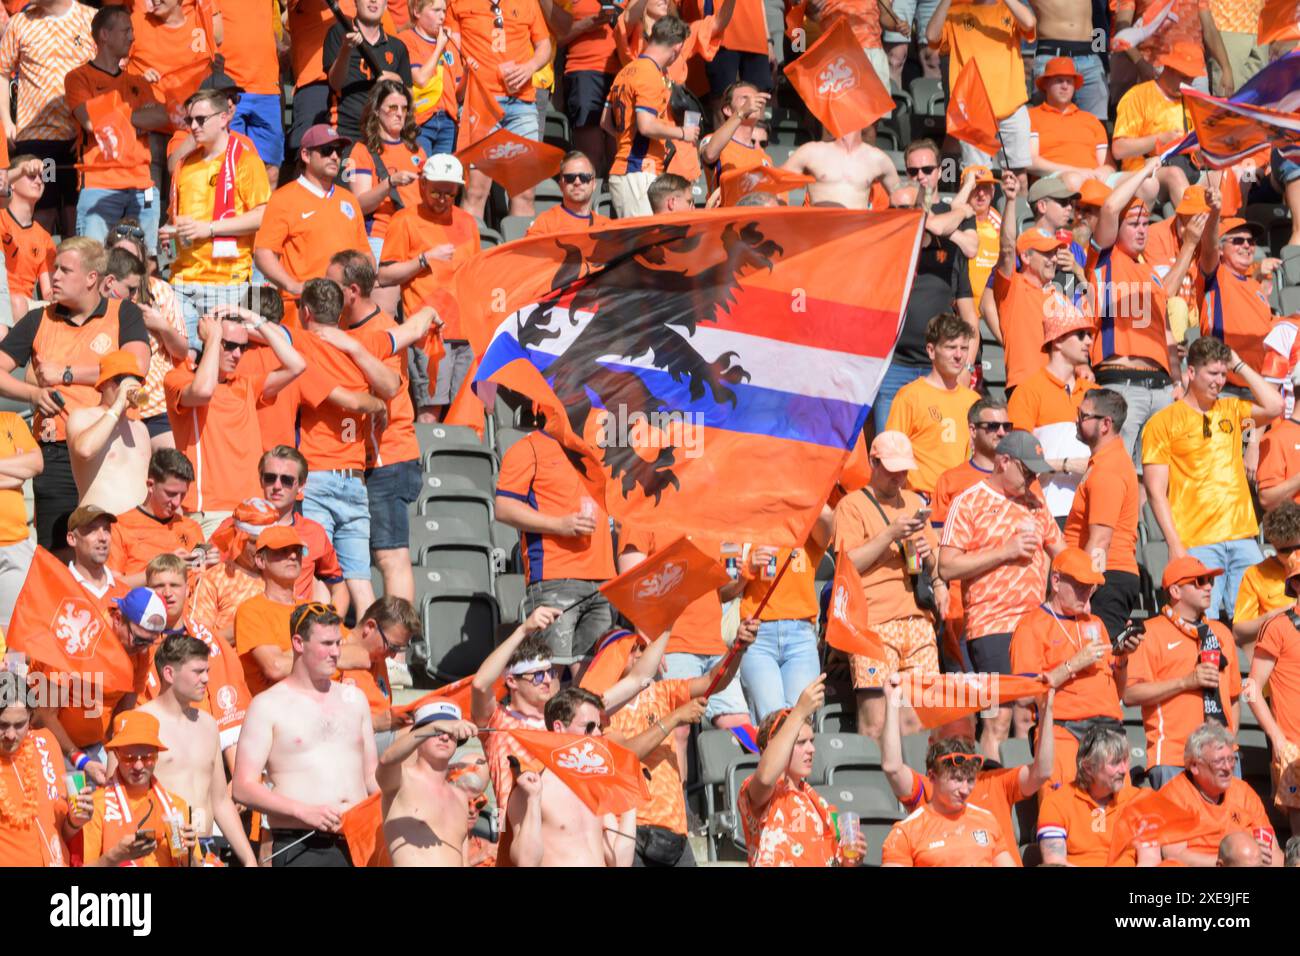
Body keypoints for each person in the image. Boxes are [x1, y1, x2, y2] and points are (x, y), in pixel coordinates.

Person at [0, 237, 151, 550]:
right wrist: (32, 394)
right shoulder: (38, 318)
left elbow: (136, 367)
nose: (54, 276)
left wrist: (66, 373)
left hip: (111, 449)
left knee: (115, 550)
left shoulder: (124, 313)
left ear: (91, 278)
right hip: (56, 453)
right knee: (59, 553)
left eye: (64, 270)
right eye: (55, 268)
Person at [939, 430, 1065, 758]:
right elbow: (947, 567)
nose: (1032, 479)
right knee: (998, 717)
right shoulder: (969, 501)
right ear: (1003, 461)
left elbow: (1060, 553)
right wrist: (1004, 552)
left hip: (1034, 625)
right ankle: (993, 791)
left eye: (1037, 473)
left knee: (1029, 713)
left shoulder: (1036, 504)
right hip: (991, 625)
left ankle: (1025, 794)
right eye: (1027, 471)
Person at [1143, 336, 1281, 620]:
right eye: (1212, 373)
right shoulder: (1163, 422)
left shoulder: (1232, 408)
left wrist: (1239, 365)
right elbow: (1156, 492)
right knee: (1203, 624)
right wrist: (1174, 544)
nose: (1219, 380)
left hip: (1242, 536)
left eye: (1223, 373)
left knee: (1260, 624)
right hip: (1196, 540)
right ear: (1191, 372)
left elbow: (1275, 405)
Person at [232, 602, 379, 867]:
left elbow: (372, 776)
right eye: (326, 644)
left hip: (358, 840)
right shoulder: (268, 705)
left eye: (338, 643)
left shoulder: (355, 699)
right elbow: (243, 787)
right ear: (299, 643)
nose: (335, 653)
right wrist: (304, 811)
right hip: (302, 842)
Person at [326, 250, 434, 602]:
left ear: (353, 290)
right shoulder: (343, 326)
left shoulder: (383, 330)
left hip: (388, 455)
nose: (326, 290)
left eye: (333, 284)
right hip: (364, 460)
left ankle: (398, 650)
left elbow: (387, 387)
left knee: (390, 556)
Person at [293, 278, 397, 613]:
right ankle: (381, 660)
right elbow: (391, 384)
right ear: (339, 314)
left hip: (317, 477)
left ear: (306, 312)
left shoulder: (303, 343)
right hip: (354, 479)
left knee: (317, 575)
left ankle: (321, 648)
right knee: (359, 581)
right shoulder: (359, 347)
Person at [1088, 160, 1203, 459]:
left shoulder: (1150, 273)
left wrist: (1177, 382)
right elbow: (1111, 208)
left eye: (1145, 224)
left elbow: (1166, 333)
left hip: (1161, 386)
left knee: (1153, 479)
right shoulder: (1104, 258)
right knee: (1117, 468)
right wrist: (1144, 171)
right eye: (1133, 224)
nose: (1142, 231)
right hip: (1121, 381)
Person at [832, 432, 943, 738]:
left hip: (918, 619)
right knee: (876, 719)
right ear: (873, 462)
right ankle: (874, 783)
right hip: (873, 624)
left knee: (920, 719)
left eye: (904, 471)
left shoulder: (914, 500)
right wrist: (890, 534)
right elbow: (847, 565)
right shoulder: (851, 505)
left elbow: (935, 566)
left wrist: (926, 555)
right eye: (892, 470)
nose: (899, 478)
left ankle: (912, 783)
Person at [165, 306, 307, 536]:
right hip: (209, 511)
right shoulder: (179, 378)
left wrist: (256, 320)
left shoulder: (245, 384)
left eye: (243, 347)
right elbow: (203, 391)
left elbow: (297, 365)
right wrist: (213, 338)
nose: (238, 355)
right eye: (229, 346)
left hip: (252, 509)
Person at [1010, 547, 1143, 785]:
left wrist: (1122, 659)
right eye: (1080, 586)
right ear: (1056, 581)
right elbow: (1024, 695)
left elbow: (1119, 692)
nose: (1087, 594)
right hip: (1063, 728)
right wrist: (1072, 665)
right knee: (1062, 806)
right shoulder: (1032, 626)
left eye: (1091, 587)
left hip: (1108, 726)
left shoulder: (1096, 623)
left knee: (1121, 810)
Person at [495, 417, 617, 673]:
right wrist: (560, 525)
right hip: (554, 578)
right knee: (547, 676)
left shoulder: (602, 449)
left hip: (604, 580)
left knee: (592, 680)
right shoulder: (528, 448)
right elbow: (504, 508)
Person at [167, 88, 273, 354]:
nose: (193, 126)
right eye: (189, 120)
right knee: (184, 361)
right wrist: (171, 231)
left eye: (201, 119)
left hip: (227, 281)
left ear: (224, 118)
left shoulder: (246, 160)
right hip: (182, 280)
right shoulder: (185, 165)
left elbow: (262, 215)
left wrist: (210, 229)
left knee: (224, 364)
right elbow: (180, 219)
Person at [137, 635, 257, 867]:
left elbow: (220, 800)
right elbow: (123, 799)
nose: (206, 679)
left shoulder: (209, 724)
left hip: (206, 849)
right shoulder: (140, 723)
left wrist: (250, 860)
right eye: (198, 672)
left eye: (207, 671)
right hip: (160, 850)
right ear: (170, 674)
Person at [1123, 557, 1242, 789]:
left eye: (1210, 581)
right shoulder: (1150, 632)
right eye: (1200, 581)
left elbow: (1234, 696)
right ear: (1176, 590)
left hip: (1223, 757)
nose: (1209, 586)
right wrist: (1186, 682)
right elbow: (1130, 694)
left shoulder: (1221, 633)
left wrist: (1229, 739)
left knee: (1229, 825)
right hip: (1175, 757)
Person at [378, 154, 481, 419]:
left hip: (466, 331)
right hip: (429, 333)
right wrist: (424, 259)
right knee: (430, 410)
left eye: (450, 193)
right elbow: (385, 275)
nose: (443, 199)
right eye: (436, 191)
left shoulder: (468, 222)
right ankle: (427, 460)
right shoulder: (404, 220)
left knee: (465, 413)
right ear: (422, 185)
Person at [34, 584, 166, 784]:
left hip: (94, 748)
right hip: (49, 743)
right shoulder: (76, 639)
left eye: (151, 641)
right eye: (139, 640)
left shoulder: (141, 651)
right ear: (118, 618)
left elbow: (123, 715)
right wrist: (80, 760)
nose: (143, 648)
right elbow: (44, 713)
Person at [63, 5, 170, 252]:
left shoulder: (138, 82)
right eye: (126, 30)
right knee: (94, 260)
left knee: (145, 262)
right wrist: (136, 119)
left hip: (143, 186)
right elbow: (91, 121)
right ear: (105, 35)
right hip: (100, 184)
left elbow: (161, 117)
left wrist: (116, 116)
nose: (132, 37)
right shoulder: (78, 78)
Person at [736, 675, 867, 866]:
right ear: (773, 745)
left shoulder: (821, 804)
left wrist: (850, 861)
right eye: (800, 742)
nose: (811, 749)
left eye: (811, 741)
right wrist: (799, 712)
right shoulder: (757, 789)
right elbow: (765, 778)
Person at [600, 630, 702, 867]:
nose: (639, 655)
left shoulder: (661, 691)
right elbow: (627, 755)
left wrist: (737, 651)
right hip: (632, 829)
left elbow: (712, 681)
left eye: (641, 649)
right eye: (631, 649)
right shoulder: (598, 708)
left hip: (675, 828)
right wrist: (674, 718)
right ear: (610, 657)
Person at [445, 0, 553, 219]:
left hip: (522, 103)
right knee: (476, 190)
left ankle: (519, 251)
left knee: (525, 192)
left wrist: (529, 67)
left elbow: (545, 45)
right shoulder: (457, 3)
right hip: (480, 103)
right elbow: (451, 48)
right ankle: (472, 251)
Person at [506, 687, 637, 866]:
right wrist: (534, 799)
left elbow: (620, 862)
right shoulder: (532, 784)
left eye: (599, 726)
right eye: (589, 727)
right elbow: (526, 861)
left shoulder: (595, 784)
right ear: (559, 728)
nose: (598, 734)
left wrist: (631, 799)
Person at [140, 553, 250, 766]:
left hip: (210, 750)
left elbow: (230, 712)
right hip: (158, 753)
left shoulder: (211, 641)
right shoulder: (138, 645)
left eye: (174, 585)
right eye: (158, 586)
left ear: (188, 589)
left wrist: (236, 781)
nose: (167, 593)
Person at [0, 0, 96, 237]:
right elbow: (2, 71)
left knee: (76, 213)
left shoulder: (92, 19)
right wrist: (6, 121)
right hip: (37, 139)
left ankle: (73, 272)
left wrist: (95, 126)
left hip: (81, 139)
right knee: (43, 210)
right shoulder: (20, 22)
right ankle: (36, 270)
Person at [214, 446, 347, 611]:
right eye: (270, 478)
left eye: (286, 480)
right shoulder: (234, 526)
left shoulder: (313, 532)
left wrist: (333, 625)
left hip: (292, 628)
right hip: (243, 625)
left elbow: (339, 588)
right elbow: (207, 575)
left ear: (301, 486)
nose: (277, 486)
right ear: (261, 480)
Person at [253, 124, 372, 303]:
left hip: (345, 308)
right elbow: (263, 254)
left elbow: (365, 255)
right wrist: (293, 286)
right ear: (306, 155)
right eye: (326, 150)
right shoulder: (283, 198)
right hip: (303, 308)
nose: (334, 156)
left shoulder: (349, 199)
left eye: (339, 151)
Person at [991, 176, 1087, 396]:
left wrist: (1082, 366)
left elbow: (1083, 332)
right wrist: (1011, 200)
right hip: (1025, 386)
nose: (1053, 259)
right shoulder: (1012, 288)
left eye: (1054, 252)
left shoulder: (1059, 298)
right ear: (1025, 256)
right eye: (1046, 253)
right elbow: (1006, 249)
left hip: (1061, 388)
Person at [1006, 299, 1096, 524]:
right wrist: (1066, 465)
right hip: (1047, 512)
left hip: (1092, 510)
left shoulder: (1095, 393)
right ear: (1057, 341)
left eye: (1089, 334)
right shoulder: (1028, 391)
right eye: (1081, 334)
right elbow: (1017, 460)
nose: (1089, 341)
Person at [1064, 389, 1142, 639]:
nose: (1077, 419)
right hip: (1108, 577)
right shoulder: (1105, 462)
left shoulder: (1108, 470)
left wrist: (1084, 587)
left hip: (1106, 578)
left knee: (1098, 664)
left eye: (1083, 415)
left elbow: (1100, 541)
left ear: (1105, 424)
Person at [344, 80, 427, 316]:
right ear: (377, 109)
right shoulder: (362, 151)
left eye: (403, 108)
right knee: (384, 314)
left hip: (415, 237)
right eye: (392, 107)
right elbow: (359, 204)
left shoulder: (416, 151)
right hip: (382, 237)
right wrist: (389, 183)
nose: (399, 114)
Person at [927, 0, 1036, 172]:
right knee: (977, 177)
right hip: (973, 108)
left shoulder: (1008, 9)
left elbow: (1029, 23)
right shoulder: (955, 11)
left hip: (1011, 105)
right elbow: (932, 37)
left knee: (1018, 177)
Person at [603, 15, 695, 218]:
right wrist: (682, 133)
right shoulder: (650, 74)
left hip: (626, 169)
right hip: (638, 170)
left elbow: (605, 122)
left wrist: (626, 138)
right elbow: (646, 125)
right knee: (643, 244)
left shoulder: (625, 71)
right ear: (678, 47)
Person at [1154, 721, 1279, 866]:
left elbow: (1273, 852)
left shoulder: (1244, 792)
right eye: (1219, 761)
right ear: (1195, 765)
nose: (1227, 768)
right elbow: (1175, 856)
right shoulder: (1174, 796)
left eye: (1231, 759)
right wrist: (1235, 863)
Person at [881, 735, 1019, 867]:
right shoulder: (907, 831)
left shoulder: (987, 820)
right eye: (957, 779)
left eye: (970, 780)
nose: (965, 790)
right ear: (932, 777)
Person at [99, 247, 188, 452]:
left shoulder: (157, 295)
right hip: (112, 411)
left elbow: (181, 351)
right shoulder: (90, 313)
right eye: (130, 289)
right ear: (110, 280)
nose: (134, 295)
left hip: (155, 409)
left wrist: (162, 325)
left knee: (174, 465)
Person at [83, 710, 197, 867]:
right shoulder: (96, 805)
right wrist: (114, 858)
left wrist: (191, 856)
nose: (138, 766)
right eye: (128, 758)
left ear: (157, 756)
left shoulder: (176, 807)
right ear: (116, 755)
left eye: (147, 758)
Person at [884, 314, 979, 497]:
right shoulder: (910, 396)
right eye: (951, 347)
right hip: (922, 498)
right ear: (931, 350)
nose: (959, 355)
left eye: (964, 348)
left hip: (960, 500)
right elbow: (893, 452)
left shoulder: (973, 401)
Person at [377, 700, 479, 866]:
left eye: (451, 732)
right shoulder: (402, 780)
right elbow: (386, 760)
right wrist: (435, 726)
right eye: (437, 731)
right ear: (419, 734)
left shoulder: (460, 797)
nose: (445, 736)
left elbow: (463, 860)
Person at [0, 694, 92, 867]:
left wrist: (75, 821)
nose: (11, 735)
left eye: (19, 725)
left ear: (31, 717)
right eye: (3, 725)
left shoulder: (45, 743)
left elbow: (59, 830)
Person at [1036, 725, 1146, 865]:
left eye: (1125, 760)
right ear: (1088, 767)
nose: (1124, 770)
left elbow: (1149, 859)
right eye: (1115, 763)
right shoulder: (1056, 803)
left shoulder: (1139, 800)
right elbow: (1055, 862)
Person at [1247, 551, 1300, 837]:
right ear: (1295, 584)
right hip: (1293, 748)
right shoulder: (1279, 627)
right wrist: (1277, 737)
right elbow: (1252, 688)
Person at [1111, 45, 1203, 206]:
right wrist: (1160, 139)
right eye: (1185, 77)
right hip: (1144, 174)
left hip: (1189, 170)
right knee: (1175, 174)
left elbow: (1201, 158)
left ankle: (1234, 230)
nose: (1189, 83)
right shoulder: (1137, 96)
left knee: (1228, 176)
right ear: (1168, 68)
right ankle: (1196, 228)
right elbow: (1119, 149)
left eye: (1192, 78)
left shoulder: (1192, 100)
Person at [1199, 208, 1275, 394]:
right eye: (1238, 241)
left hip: (1257, 386)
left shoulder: (1255, 286)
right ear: (1221, 249)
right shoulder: (1216, 276)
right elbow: (1208, 247)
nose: (1247, 246)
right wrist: (1216, 211)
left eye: (1251, 241)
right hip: (1225, 384)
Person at [66, 350, 151, 514]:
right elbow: (85, 450)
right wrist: (117, 405)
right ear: (103, 384)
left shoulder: (141, 428)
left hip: (139, 530)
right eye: (121, 379)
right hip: (100, 527)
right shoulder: (82, 417)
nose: (129, 385)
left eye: (135, 379)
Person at [107, 448, 206, 586]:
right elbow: (113, 587)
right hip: (142, 605)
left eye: (182, 494)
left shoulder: (192, 527)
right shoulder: (119, 526)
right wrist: (165, 571)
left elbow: (202, 578)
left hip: (188, 605)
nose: (177, 502)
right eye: (171, 493)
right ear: (150, 485)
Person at [235, 525, 313, 697]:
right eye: (282, 551)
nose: (293, 556)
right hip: (277, 712)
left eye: (297, 550)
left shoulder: (314, 609)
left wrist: (298, 655)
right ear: (260, 561)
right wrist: (324, 652)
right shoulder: (251, 610)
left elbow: (358, 653)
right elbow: (275, 667)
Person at [189, 496, 279, 645]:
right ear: (238, 538)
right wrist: (250, 624)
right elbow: (198, 643)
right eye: (254, 542)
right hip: (227, 664)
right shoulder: (215, 578)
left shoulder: (282, 577)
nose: (261, 548)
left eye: (268, 541)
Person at [324, 0, 413, 142]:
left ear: (385, 5)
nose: (373, 1)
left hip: (384, 135)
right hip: (347, 132)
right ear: (355, 2)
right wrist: (346, 50)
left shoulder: (398, 47)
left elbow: (409, 96)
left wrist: (396, 79)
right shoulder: (338, 33)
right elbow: (335, 83)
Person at [336, 595, 421, 743]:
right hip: (351, 743)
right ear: (370, 627)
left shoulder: (378, 657)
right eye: (393, 646)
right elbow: (321, 719)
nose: (393, 655)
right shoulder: (334, 646)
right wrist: (373, 724)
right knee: (421, 736)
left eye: (400, 648)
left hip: (379, 740)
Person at [1028, 58, 1112, 182]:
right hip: (1054, 179)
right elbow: (1031, 161)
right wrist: (1077, 171)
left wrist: (1102, 173)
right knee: (1073, 179)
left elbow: (1108, 165)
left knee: (1144, 184)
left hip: (1095, 179)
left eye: (1069, 81)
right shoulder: (1031, 116)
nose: (1065, 86)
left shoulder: (1091, 120)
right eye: (1059, 80)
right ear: (1046, 84)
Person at [1232, 503, 1300, 649]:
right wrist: (1279, 614)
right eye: (1286, 551)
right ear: (1274, 546)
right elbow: (1238, 632)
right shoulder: (1255, 574)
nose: (1293, 556)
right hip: (1280, 653)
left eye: (1298, 548)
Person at [401, 0, 463, 157]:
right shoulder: (407, 39)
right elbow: (420, 79)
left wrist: (468, 73)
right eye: (436, 10)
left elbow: (459, 94)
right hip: (421, 120)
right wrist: (439, 49)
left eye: (444, 11)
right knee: (422, 174)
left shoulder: (450, 44)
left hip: (448, 122)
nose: (442, 16)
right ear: (417, 11)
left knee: (442, 178)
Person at [781, 129, 900, 210]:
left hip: (856, 239)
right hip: (819, 237)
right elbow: (774, 185)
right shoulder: (811, 152)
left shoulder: (878, 158)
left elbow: (902, 200)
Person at [0, 156, 55, 321]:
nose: (38, 181)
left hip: (27, 305)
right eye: (31, 175)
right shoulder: (1, 216)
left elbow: (48, 292)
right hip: (5, 298)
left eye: (42, 176)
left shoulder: (44, 237)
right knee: (16, 302)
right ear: (13, 183)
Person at [0, 407, 40, 627]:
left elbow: (35, 464)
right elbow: (24, 470)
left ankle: (15, 665)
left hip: (16, 544)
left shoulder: (11, 421)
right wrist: (14, 476)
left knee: (17, 634)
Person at [698, 80, 771, 196]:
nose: (752, 102)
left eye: (755, 99)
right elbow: (710, 154)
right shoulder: (713, 140)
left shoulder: (765, 158)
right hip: (725, 213)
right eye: (745, 98)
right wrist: (742, 112)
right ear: (728, 110)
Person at [526, 150, 612, 236]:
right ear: (561, 185)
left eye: (584, 177)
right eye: (570, 178)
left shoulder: (606, 226)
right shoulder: (545, 223)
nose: (577, 182)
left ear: (594, 184)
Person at [64, 503, 130, 612]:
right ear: (72, 539)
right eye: (92, 530)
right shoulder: (57, 589)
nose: (103, 538)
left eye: (106, 529)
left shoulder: (125, 594)